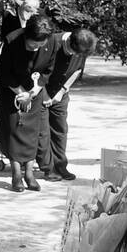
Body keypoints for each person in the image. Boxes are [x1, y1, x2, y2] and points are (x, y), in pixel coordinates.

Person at [0, 13, 58, 192]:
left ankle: (29, 173)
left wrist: (32, 92)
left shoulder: (51, 41)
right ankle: (16, 174)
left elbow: (47, 71)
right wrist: (21, 93)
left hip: (34, 90)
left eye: (40, 44)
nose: (37, 47)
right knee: (15, 129)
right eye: (32, 44)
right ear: (25, 35)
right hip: (12, 90)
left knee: (31, 132)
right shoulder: (12, 41)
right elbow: (5, 73)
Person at [40, 28, 97, 182]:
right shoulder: (51, 42)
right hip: (41, 89)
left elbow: (76, 71)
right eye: (75, 52)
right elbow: (37, 72)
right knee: (43, 130)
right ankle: (48, 168)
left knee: (60, 129)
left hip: (61, 92)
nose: (76, 56)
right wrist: (44, 95)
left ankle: (60, 165)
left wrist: (61, 92)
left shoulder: (81, 48)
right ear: (69, 41)